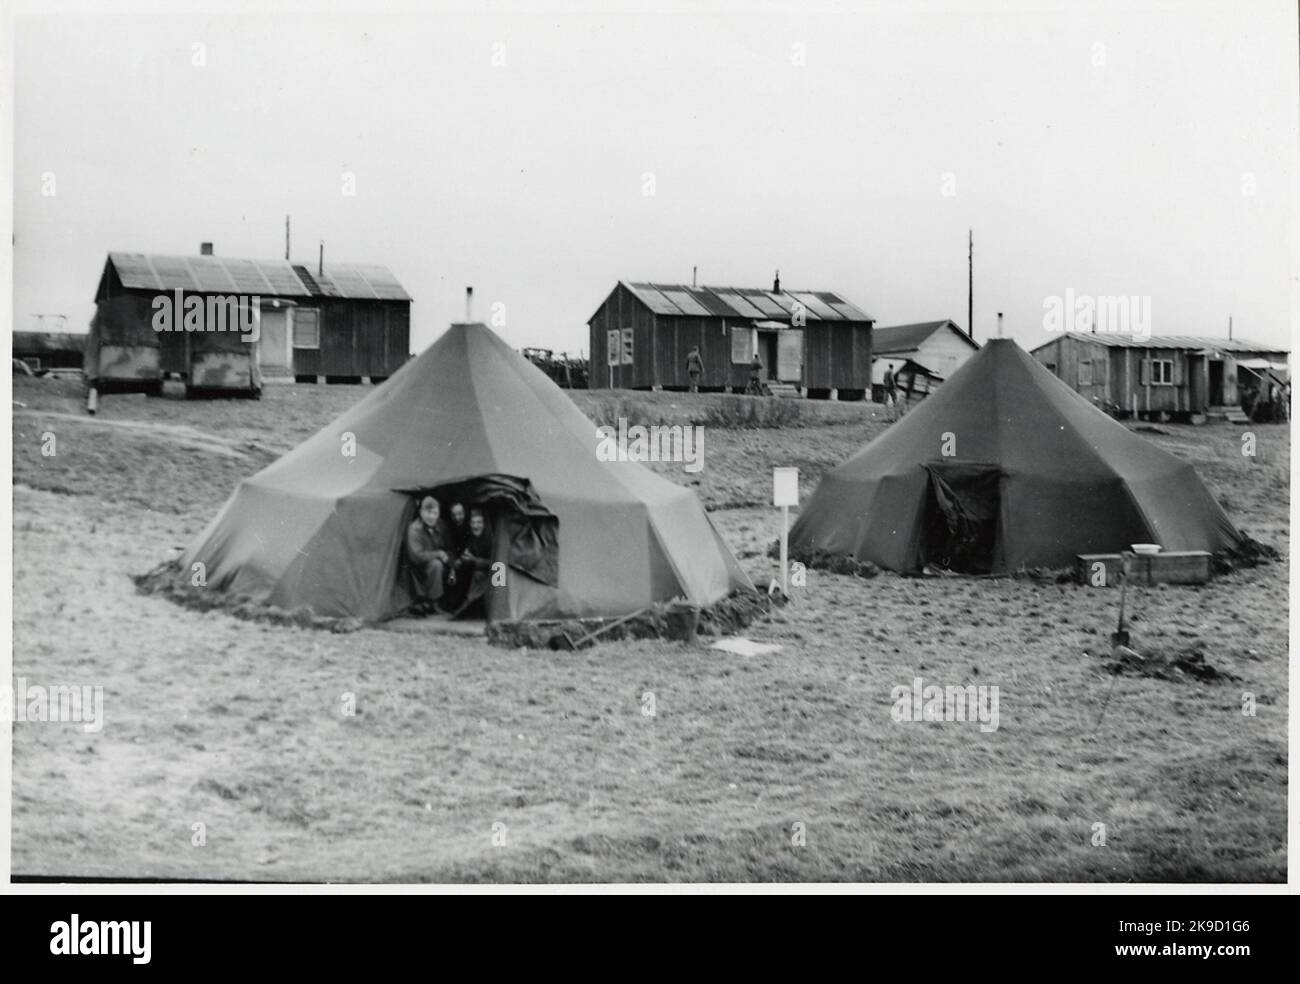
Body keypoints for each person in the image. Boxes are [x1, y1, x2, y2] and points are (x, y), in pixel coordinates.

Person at [404, 496, 453, 613]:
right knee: (436, 565)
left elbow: (449, 547)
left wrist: (452, 563)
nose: (432, 516)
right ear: (421, 512)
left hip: (439, 566)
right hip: (419, 570)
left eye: (435, 513)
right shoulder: (414, 529)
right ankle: (434, 602)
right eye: (428, 512)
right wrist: (438, 554)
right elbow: (416, 556)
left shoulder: (442, 525)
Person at [448, 508, 494, 615]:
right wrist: (456, 564)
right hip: (478, 572)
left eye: (479, 522)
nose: (475, 526)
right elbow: (467, 554)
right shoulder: (472, 538)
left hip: (492, 576)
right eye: (473, 522)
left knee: (477, 575)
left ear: (484, 524)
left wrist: (474, 560)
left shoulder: (491, 539)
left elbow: (497, 564)